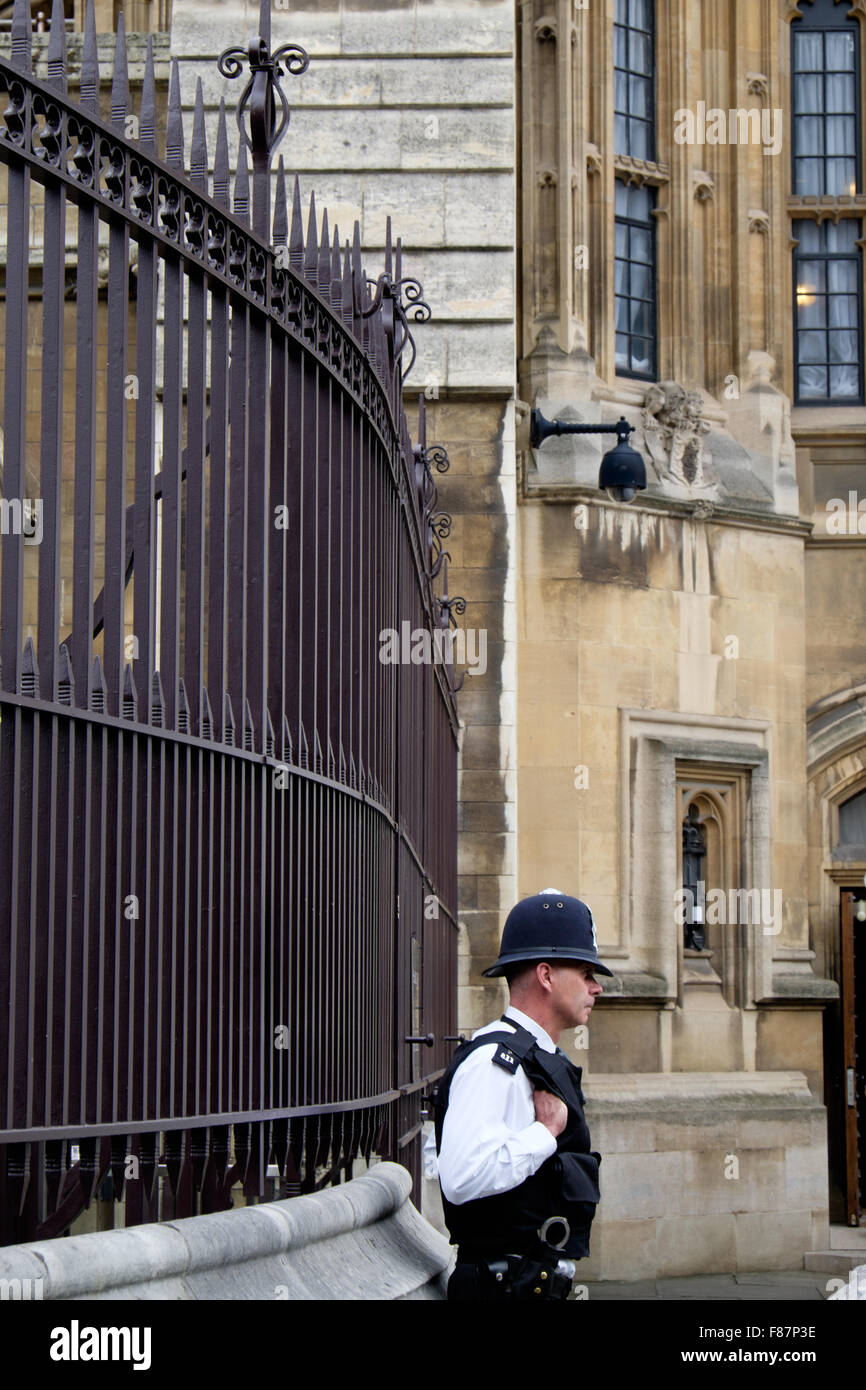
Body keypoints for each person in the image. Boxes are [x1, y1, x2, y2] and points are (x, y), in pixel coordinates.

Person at [431, 888, 614, 1301]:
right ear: (546, 976)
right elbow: (462, 1179)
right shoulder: (494, 1062)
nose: (596, 987)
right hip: (501, 1287)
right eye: (586, 973)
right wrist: (545, 1132)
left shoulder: (539, 1057)